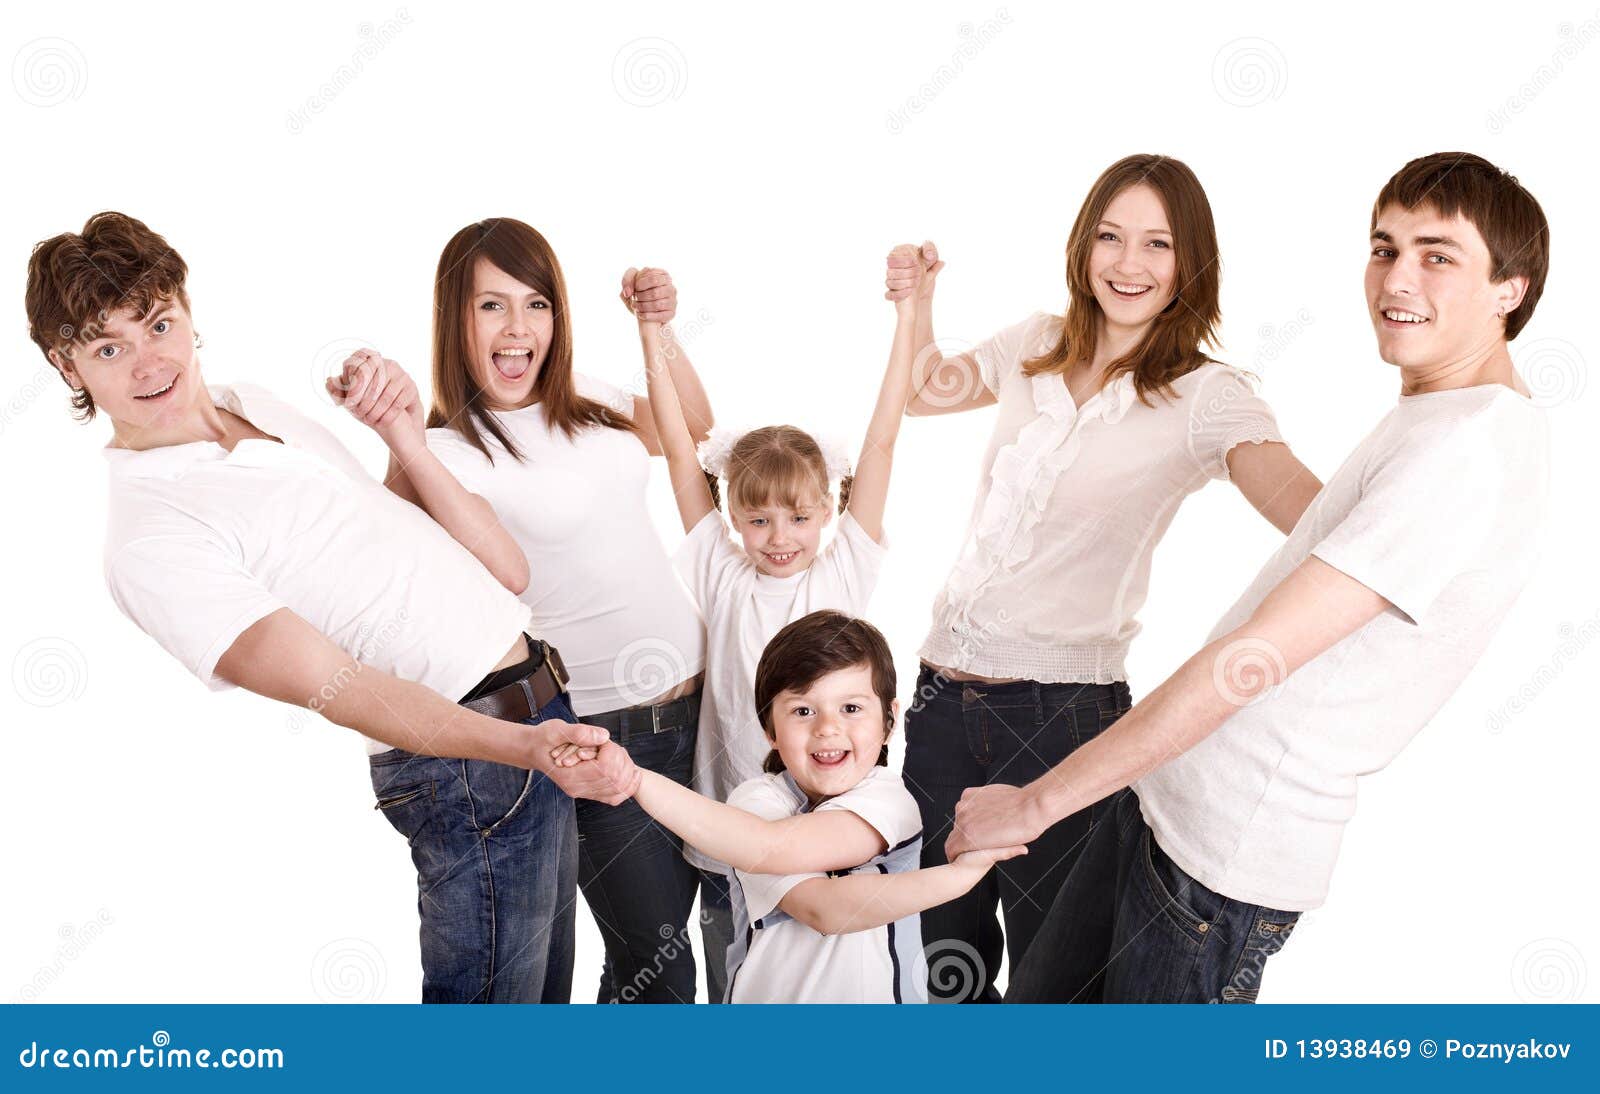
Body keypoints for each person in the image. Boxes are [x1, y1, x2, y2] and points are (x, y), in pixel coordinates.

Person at [946, 152, 1552, 1003]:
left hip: (1216, 869)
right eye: (1384, 247)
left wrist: (1036, 805)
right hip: (1160, 808)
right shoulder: (1435, 415)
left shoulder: (1467, 452)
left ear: (1510, 290)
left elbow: (1249, 663)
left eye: (1437, 255)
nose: (1396, 277)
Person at [23, 212, 634, 1004]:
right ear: (65, 366)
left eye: (158, 323)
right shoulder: (150, 538)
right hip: (473, 764)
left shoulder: (257, 402)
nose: (149, 363)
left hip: (535, 714)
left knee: (541, 1024)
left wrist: (398, 428)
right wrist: (521, 748)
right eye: (109, 347)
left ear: (187, 310)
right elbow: (338, 688)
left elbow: (376, 546)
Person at [886, 153, 1323, 1001]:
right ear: (1084, 247)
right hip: (939, 702)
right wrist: (918, 304)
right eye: (1111, 238)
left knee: (1057, 988)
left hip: (1065, 721)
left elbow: (1314, 519)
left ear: (1190, 262)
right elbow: (923, 394)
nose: (1129, 264)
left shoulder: (1209, 397)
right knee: (939, 975)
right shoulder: (1035, 344)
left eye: (1157, 245)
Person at [370, 218, 714, 1004]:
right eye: (491, 306)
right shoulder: (442, 455)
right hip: (599, 727)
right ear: (454, 319)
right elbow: (379, 563)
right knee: (660, 974)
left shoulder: (586, 397)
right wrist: (397, 442)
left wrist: (655, 331)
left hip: (700, 708)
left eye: (536, 304)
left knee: (656, 961)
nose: (518, 328)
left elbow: (690, 430)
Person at [631, 250, 921, 997]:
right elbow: (678, 464)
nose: (779, 535)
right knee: (742, 972)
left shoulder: (841, 570)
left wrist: (909, 316)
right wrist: (650, 332)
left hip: (834, 815)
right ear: (733, 518)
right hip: (736, 820)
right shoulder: (724, 573)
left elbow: (885, 440)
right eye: (757, 519)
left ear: (829, 509)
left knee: (835, 965)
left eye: (798, 516)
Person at [565, 610, 1025, 1002]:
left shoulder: (889, 800)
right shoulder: (756, 803)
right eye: (803, 711)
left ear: (888, 722)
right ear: (770, 729)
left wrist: (637, 781)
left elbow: (817, 892)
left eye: (851, 708)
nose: (827, 728)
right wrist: (635, 779)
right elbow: (818, 905)